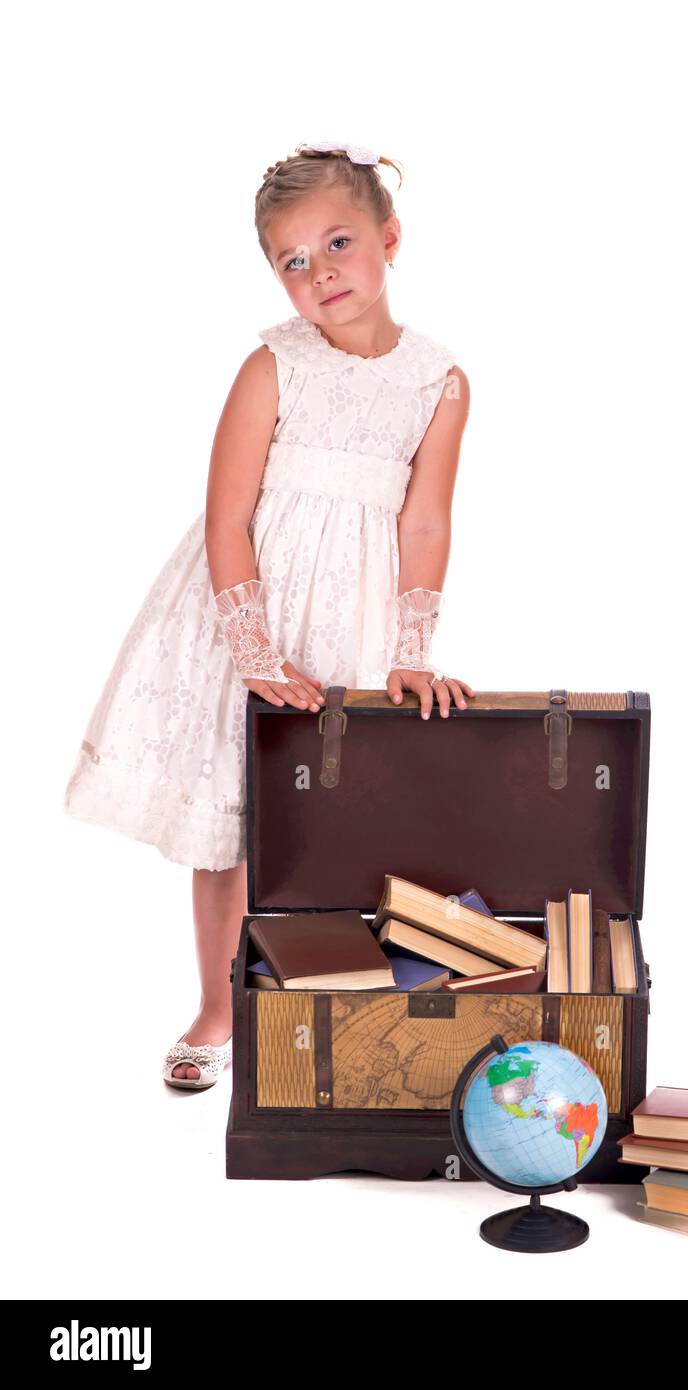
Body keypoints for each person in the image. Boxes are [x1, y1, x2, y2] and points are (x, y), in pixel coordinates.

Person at [62, 139, 475, 1088]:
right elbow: (228, 515)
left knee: (326, 813)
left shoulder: (440, 382)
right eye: (293, 261)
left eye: (337, 243)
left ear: (390, 237)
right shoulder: (271, 366)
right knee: (231, 817)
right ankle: (217, 1005)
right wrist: (251, 647)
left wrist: (411, 649)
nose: (319, 272)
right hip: (244, 608)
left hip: (353, 620)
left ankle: (326, 996)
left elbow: (425, 519)